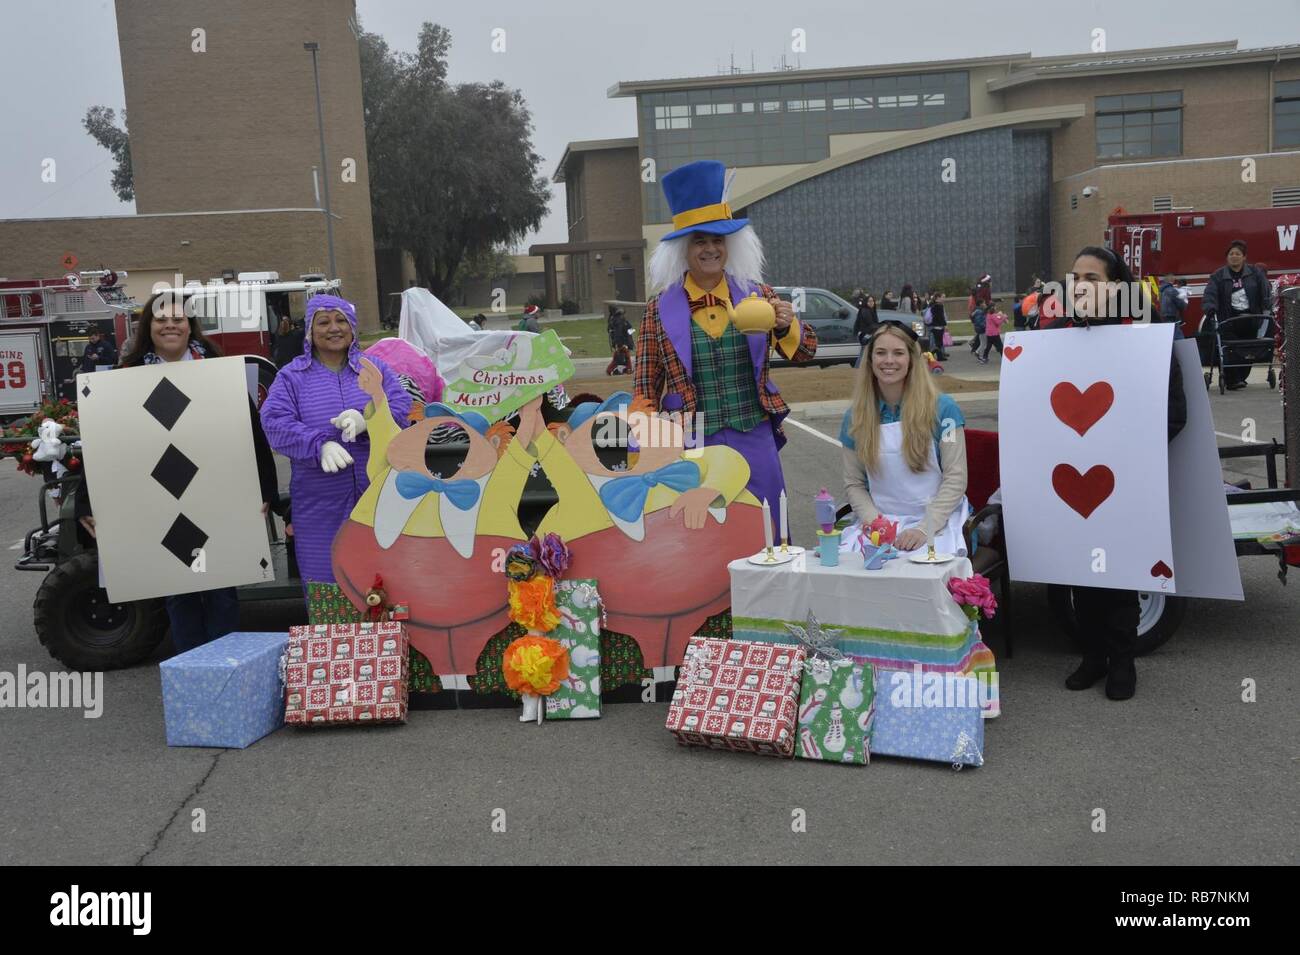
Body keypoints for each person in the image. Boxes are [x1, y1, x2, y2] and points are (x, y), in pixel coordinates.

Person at [79, 291, 280, 653]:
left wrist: (265, 490)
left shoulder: (218, 369)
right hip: (158, 500)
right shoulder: (127, 377)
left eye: (178, 317)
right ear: (148, 327)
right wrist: (86, 501)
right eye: (161, 318)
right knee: (179, 594)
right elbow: (103, 443)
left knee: (221, 591)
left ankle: (228, 674)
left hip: (214, 497)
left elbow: (251, 435)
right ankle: (192, 676)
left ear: (190, 326)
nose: (170, 324)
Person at [635, 159, 817, 511]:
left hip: (754, 435)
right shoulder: (657, 311)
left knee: (768, 531)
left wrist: (784, 325)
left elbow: (806, 352)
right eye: (699, 241)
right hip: (692, 442)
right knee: (705, 536)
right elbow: (644, 387)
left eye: (717, 239)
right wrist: (643, 446)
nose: (710, 249)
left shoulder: (758, 294)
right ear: (682, 250)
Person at [1056, 245, 1187, 700]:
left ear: (1115, 286)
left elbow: (1175, 414)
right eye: (1074, 277)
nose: (1080, 286)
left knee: (1120, 578)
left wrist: (1129, 456)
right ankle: (1093, 656)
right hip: (1075, 480)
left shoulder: (1148, 339)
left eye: (1091, 277)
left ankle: (1122, 661)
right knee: (1082, 574)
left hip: (1126, 481)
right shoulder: (1056, 340)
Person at [260, 294, 412, 604]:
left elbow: (401, 404)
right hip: (319, 506)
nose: (334, 328)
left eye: (341, 320)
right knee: (327, 586)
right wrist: (320, 445)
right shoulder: (292, 377)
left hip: (378, 498)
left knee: (384, 584)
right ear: (310, 331)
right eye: (324, 321)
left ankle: (386, 650)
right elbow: (274, 422)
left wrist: (369, 419)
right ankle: (334, 647)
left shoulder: (374, 369)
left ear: (353, 327)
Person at [839, 321, 969, 557]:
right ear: (870, 360)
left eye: (898, 353)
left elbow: (956, 478)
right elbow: (854, 483)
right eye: (880, 353)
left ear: (911, 360)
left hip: (937, 522)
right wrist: (874, 523)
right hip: (878, 523)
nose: (889, 360)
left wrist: (923, 529)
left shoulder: (945, 409)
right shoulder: (853, 417)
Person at [1201, 239, 1272, 390]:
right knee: (1229, 349)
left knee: (1249, 349)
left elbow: (1265, 291)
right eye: (1231, 254)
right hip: (1228, 319)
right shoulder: (1218, 276)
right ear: (1227, 257)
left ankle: (1241, 377)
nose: (1234, 256)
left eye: (1238, 254)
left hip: (1251, 318)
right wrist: (1210, 307)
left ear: (1244, 257)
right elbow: (1210, 294)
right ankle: (1231, 380)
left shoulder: (1255, 273)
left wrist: (1268, 305)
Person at [928, 293, 949, 360]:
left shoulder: (932, 305)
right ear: (937, 298)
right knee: (939, 343)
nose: (942, 299)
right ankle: (933, 355)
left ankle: (938, 355)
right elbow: (941, 317)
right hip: (939, 326)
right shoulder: (939, 306)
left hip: (934, 326)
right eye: (941, 297)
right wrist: (945, 325)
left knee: (938, 342)